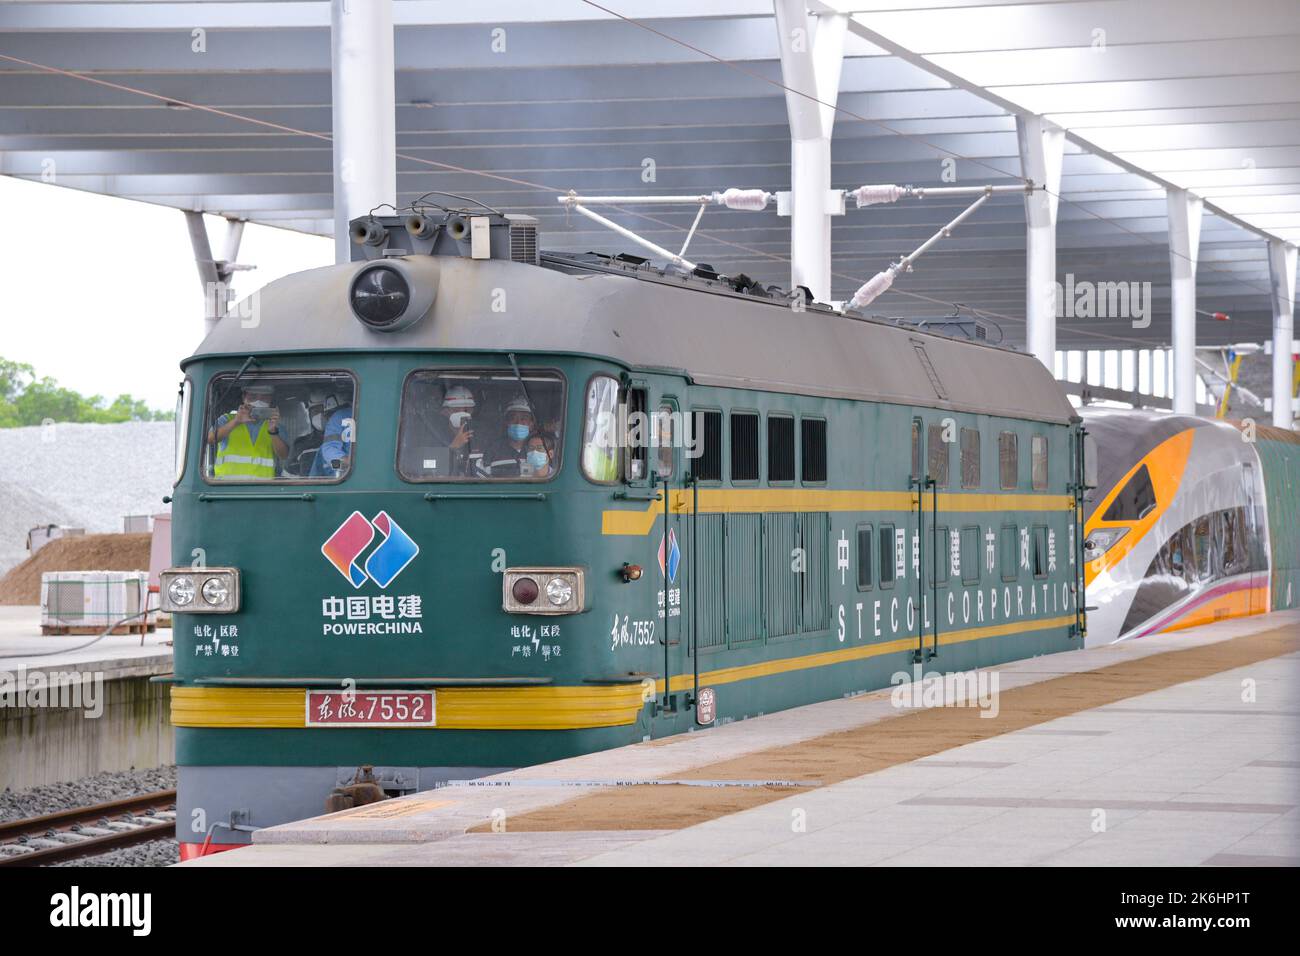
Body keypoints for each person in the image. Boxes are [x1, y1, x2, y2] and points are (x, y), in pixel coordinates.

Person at [208, 384, 288, 479]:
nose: (258, 401)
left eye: (264, 397)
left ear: (270, 399)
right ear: (244, 397)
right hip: (227, 489)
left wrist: (273, 431)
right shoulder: (227, 420)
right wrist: (236, 421)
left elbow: (284, 455)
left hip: (263, 490)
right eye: (253, 396)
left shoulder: (276, 425)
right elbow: (210, 439)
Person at [481, 396, 537, 477]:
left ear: (531, 424)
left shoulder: (537, 451)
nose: (518, 423)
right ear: (506, 423)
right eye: (513, 418)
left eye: (524, 418)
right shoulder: (493, 450)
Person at [309, 393, 354, 477]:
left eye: (331, 415)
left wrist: (348, 462)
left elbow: (329, 449)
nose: (329, 420)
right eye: (327, 416)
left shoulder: (338, 417)